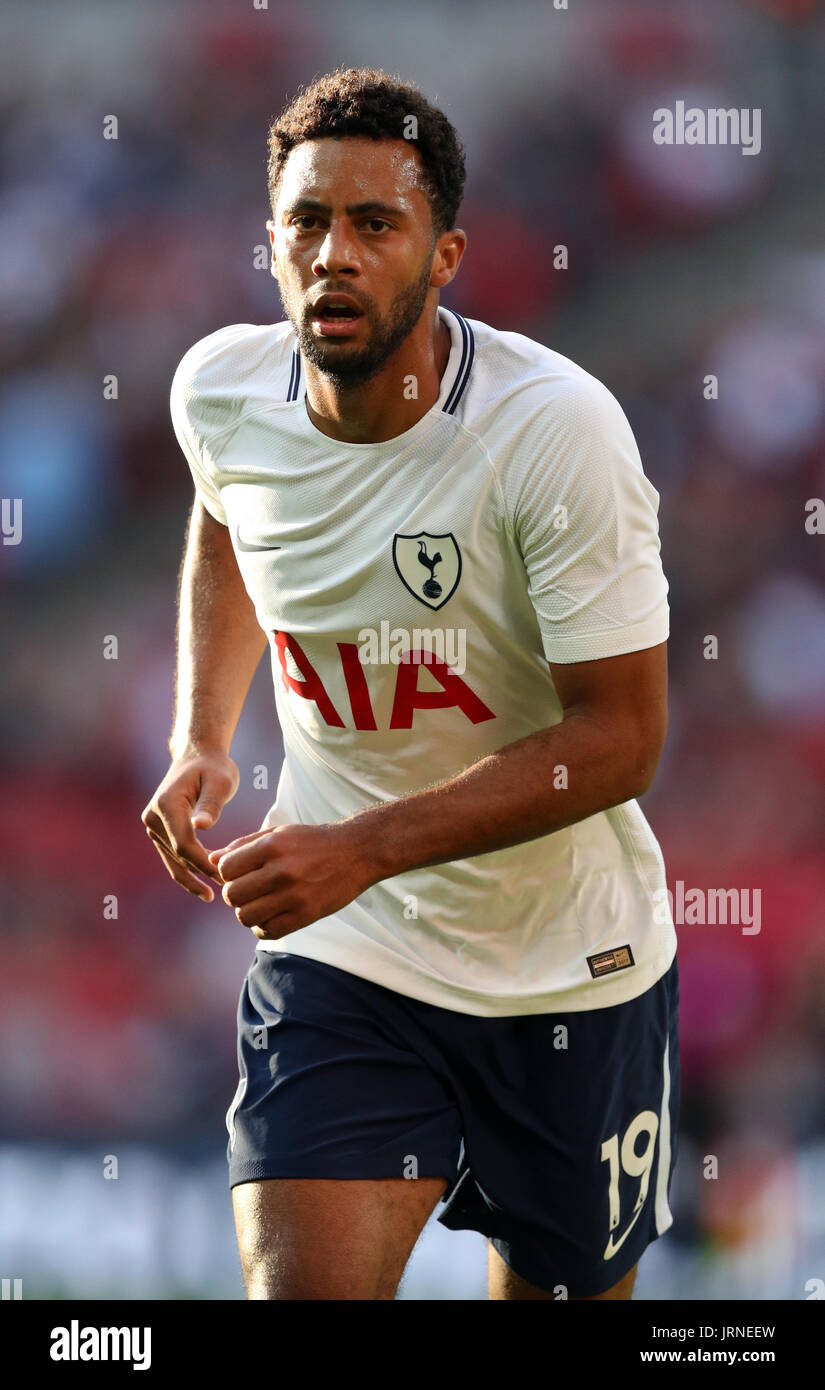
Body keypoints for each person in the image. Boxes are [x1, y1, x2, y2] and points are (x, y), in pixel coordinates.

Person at [141, 67, 678, 1301]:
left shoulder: (555, 433)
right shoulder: (220, 390)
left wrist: (365, 845)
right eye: (308, 224)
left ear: (444, 259)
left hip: (570, 967)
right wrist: (202, 732)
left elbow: (622, 739)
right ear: (269, 246)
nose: (336, 253)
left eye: (376, 225)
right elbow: (225, 517)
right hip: (353, 955)